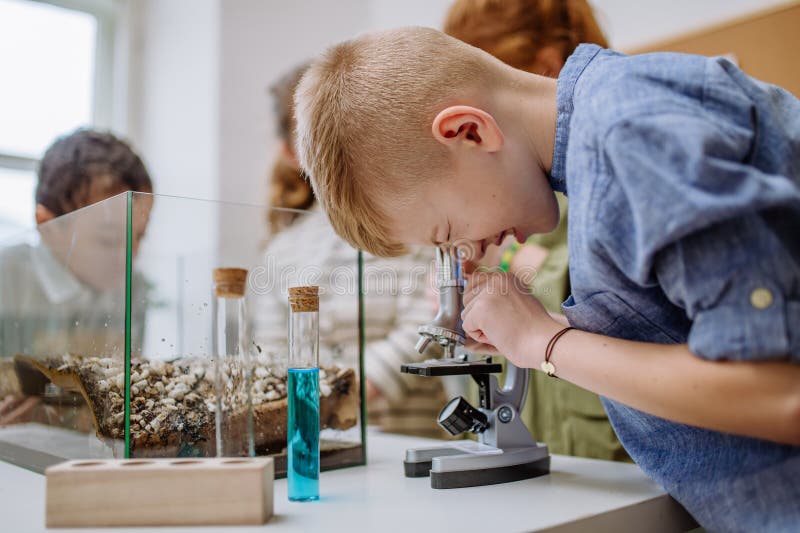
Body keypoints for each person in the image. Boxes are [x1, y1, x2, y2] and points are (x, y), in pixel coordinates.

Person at [293, 27, 800, 531]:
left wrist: (545, 341)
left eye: (448, 232)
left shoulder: (630, 133)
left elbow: (782, 393)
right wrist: (533, 330)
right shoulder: (601, 151)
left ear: (469, 131)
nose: (472, 250)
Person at [443, 0, 627, 461]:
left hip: (618, 464)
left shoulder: (612, 178)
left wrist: (538, 332)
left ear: (545, 66)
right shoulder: (519, 200)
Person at [254, 65, 451, 439]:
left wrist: (341, 395)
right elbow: (272, 357)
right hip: (316, 444)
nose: (333, 142)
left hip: (410, 445)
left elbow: (427, 325)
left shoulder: (415, 221)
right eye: (314, 133)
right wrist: (317, 408)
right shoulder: (282, 250)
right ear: (289, 153)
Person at [0, 128, 153, 424]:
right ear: (48, 226)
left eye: (140, 238)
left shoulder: (133, 287)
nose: (130, 255)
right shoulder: (6, 279)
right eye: (109, 240)